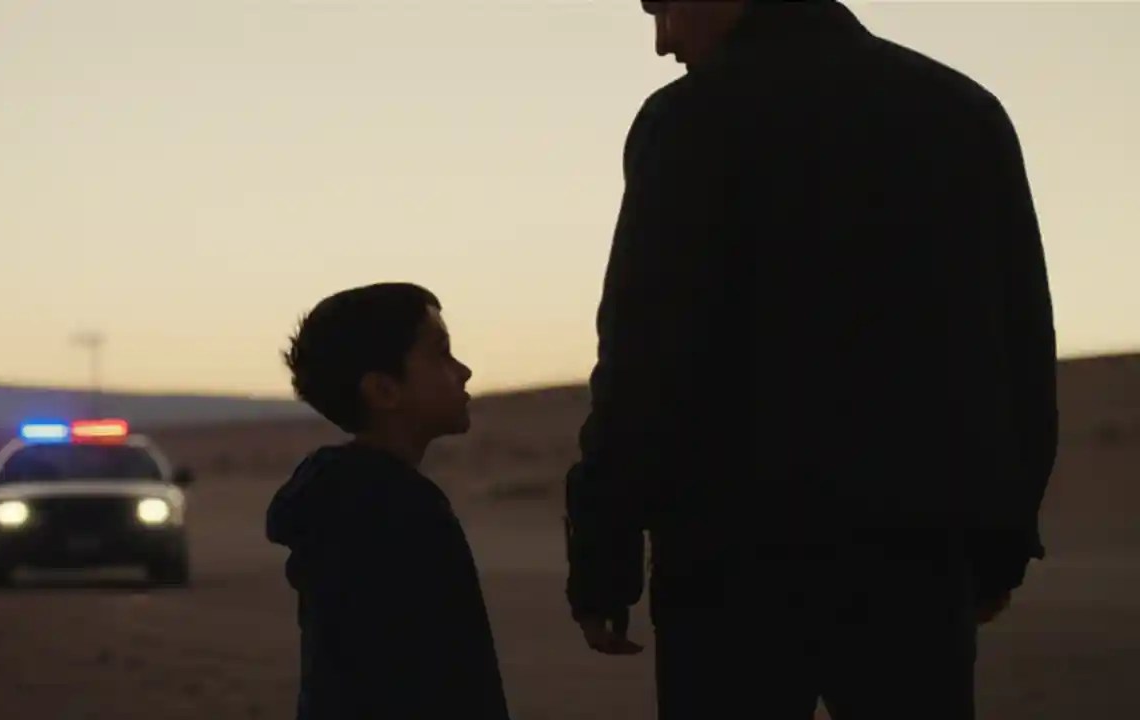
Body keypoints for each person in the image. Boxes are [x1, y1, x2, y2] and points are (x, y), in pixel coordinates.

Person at [563, 1, 1058, 718]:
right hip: (916, 557)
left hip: (731, 563)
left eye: (664, 8)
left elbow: (644, 355)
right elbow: (1019, 344)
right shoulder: (960, 110)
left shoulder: (692, 120)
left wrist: (602, 557)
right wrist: (1002, 534)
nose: (663, 41)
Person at [265, 282, 510, 720]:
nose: (464, 371)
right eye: (442, 353)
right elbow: (439, 680)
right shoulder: (399, 515)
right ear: (383, 391)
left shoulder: (345, 504)